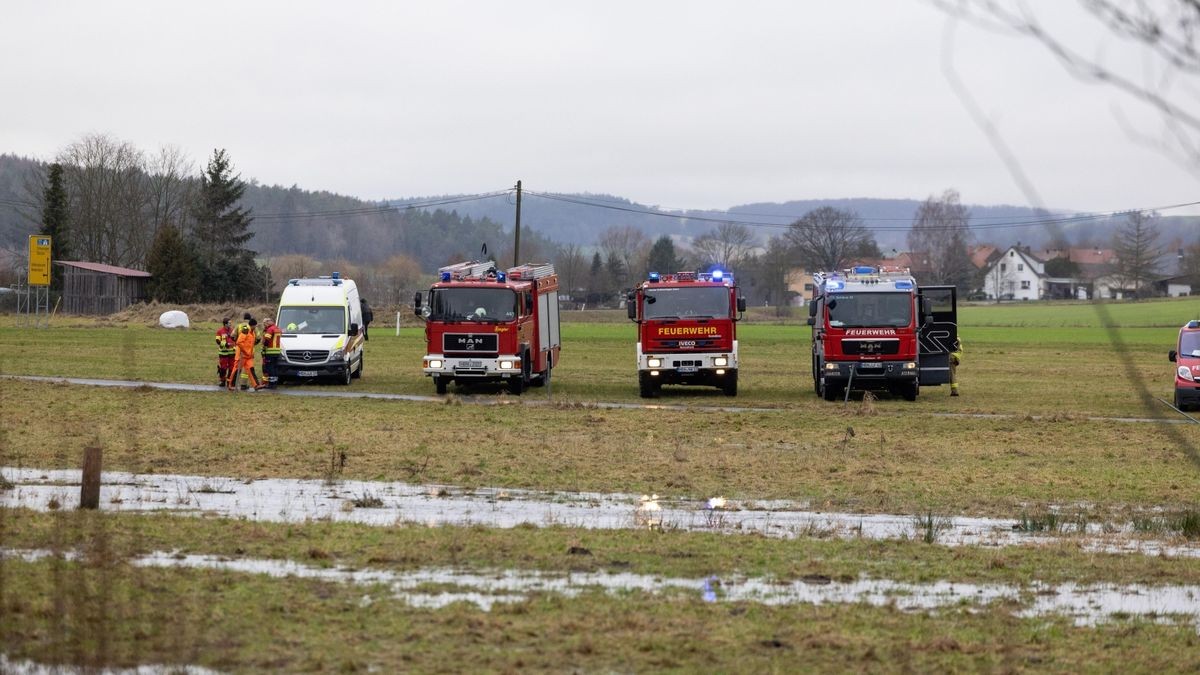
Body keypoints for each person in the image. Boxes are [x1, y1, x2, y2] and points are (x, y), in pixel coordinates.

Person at [227, 321, 264, 391]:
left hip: (248, 356)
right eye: (255, 326)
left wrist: (249, 352)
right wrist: (245, 351)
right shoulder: (245, 331)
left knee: (251, 369)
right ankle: (231, 385)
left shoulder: (253, 332)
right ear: (252, 325)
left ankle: (256, 385)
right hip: (242, 355)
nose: (256, 327)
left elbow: (252, 343)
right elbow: (239, 342)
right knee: (237, 370)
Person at [260, 317, 282, 389]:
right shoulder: (277, 328)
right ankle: (275, 383)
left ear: (268, 322)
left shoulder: (270, 329)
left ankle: (271, 384)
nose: (265, 325)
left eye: (265, 323)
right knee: (275, 368)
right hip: (277, 351)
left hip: (270, 351)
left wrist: (264, 349)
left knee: (270, 368)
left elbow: (266, 340)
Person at [214, 317, 235, 386]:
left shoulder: (233, 330)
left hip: (232, 353)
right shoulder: (220, 331)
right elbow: (218, 341)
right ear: (225, 324)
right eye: (229, 323)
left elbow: (235, 340)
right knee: (223, 368)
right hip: (223, 353)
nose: (230, 324)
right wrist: (226, 344)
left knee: (232, 368)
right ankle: (222, 381)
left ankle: (229, 381)